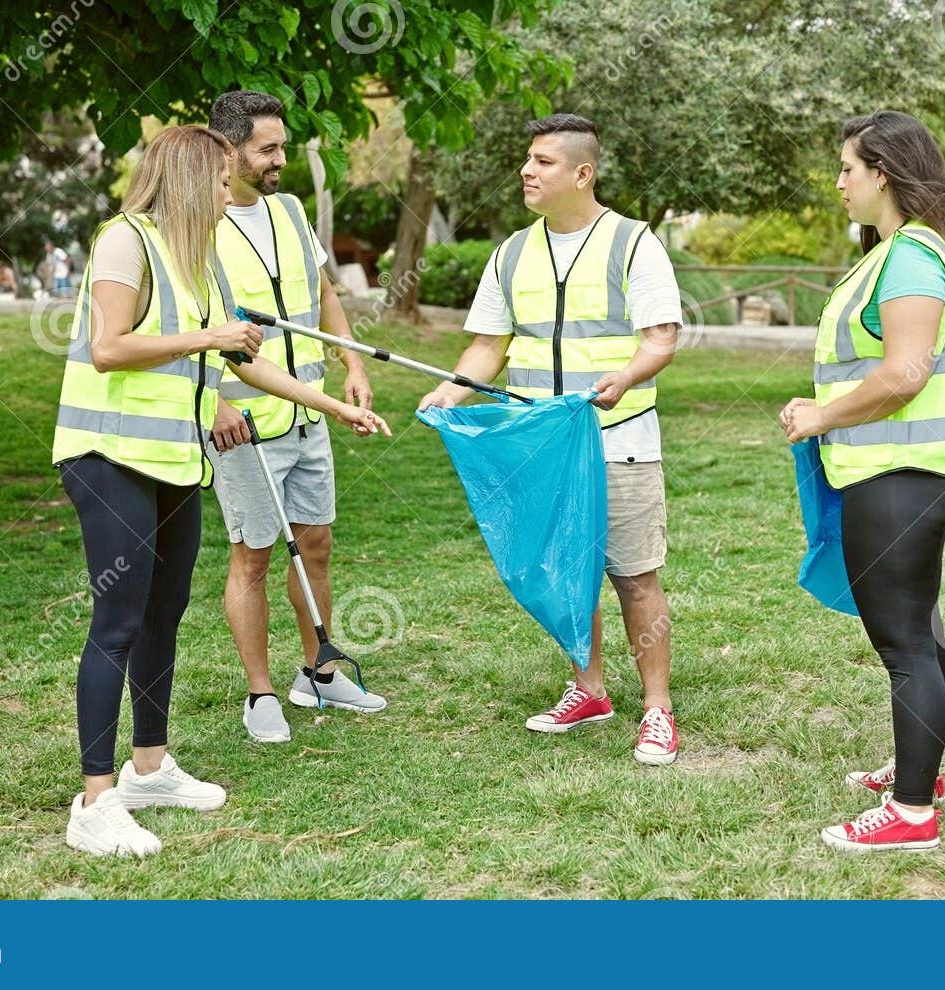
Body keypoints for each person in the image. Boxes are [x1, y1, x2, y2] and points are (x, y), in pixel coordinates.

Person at [51, 124, 390, 858]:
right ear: (186, 180)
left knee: (164, 611)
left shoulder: (199, 263)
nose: (225, 193)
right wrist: (209, 339)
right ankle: (94, 801)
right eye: (217, 181)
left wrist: (332, 406)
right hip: (107, 457)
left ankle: (149, 767)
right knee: (118, 621)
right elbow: (110, 347)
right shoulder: (125, 241)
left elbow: (243, 363)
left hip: (174, 462)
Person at [419, 113, 683, 766]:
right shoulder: (511, 253)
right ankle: (589, 689)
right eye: (527, 160)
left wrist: (625, 375)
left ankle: (657, 709)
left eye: (541, 161)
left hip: (618, 437)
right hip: (542, 445)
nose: (526, 171)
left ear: (582, 173)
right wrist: (452, 390)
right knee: (569, 571)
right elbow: (489, 346)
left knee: (634, 576)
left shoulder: (633, 243)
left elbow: (662, 337)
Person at [780, 110, 945, 852]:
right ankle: (919, 777)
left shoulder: (909, 256)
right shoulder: (898, 251)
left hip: (900, 476)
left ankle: (910, 816)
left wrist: (820, 414)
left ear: (884, 175)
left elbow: (904, 373)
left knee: (904, 646)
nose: (838, 183)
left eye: (846, 169)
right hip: (904, 472)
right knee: (921, 636)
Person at [204, 91, 386, 742]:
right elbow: (182, 324)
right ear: (228, 151)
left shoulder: (288, 210)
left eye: (283, 146)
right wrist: (214, 398)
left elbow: (323, 289)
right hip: (243, 423)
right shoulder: (197, 222)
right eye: (268, 149)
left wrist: (352, 365)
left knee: (317, 545)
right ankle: (260, 696)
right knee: (251, 558)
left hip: (310, 415)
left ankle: (320, 673)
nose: (281, 159)